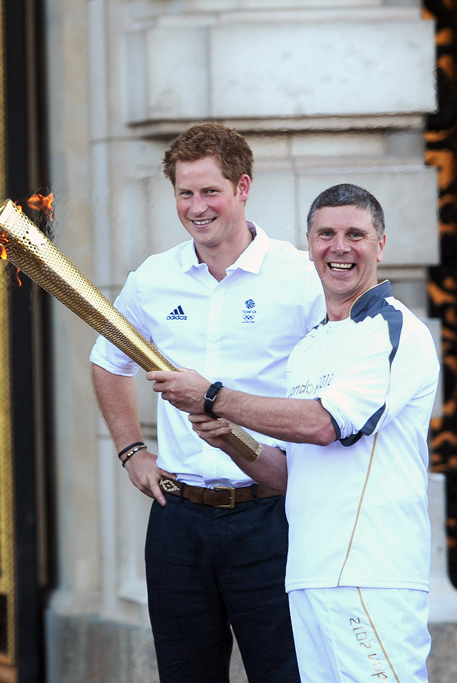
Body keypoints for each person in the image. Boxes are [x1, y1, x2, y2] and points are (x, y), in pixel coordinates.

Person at [171, 184, 438, 683]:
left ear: (380, 245)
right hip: (308, 577)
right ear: (309, 243)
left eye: (355, 234)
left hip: (371, 578)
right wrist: (228, 436)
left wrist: (213, 396)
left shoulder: (392, 330)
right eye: (326, 234)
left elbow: (322, 425)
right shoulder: (310, 346)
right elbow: (289, 475)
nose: (340, 247)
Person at [89, 124, 325, 683]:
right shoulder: (153, 278)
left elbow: (328, 398)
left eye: (210, 191)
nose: (197, 207)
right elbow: (107, 361)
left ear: (242, 188)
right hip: (179, 518)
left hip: (274, 517)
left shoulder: (299, 278)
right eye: (184, 193)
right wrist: (131, 452)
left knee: (285, 674)